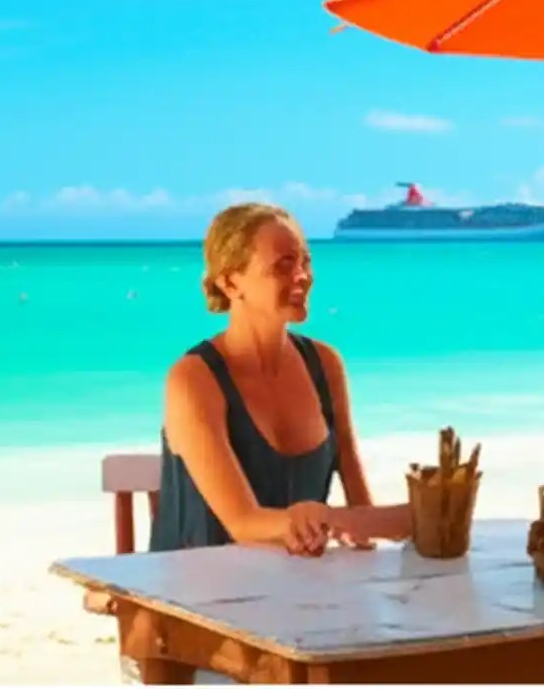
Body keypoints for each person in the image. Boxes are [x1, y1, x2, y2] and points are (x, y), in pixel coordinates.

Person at [150, 203, 412, 555]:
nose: (303, 275)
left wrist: (422, 514)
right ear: (230, 282)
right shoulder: (194, 378)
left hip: (295, 584)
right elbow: (242, 523)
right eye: (284, 265)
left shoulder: (324, 364)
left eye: (305, 262)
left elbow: (361, 513)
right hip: (192, 586)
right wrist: (327, 519)